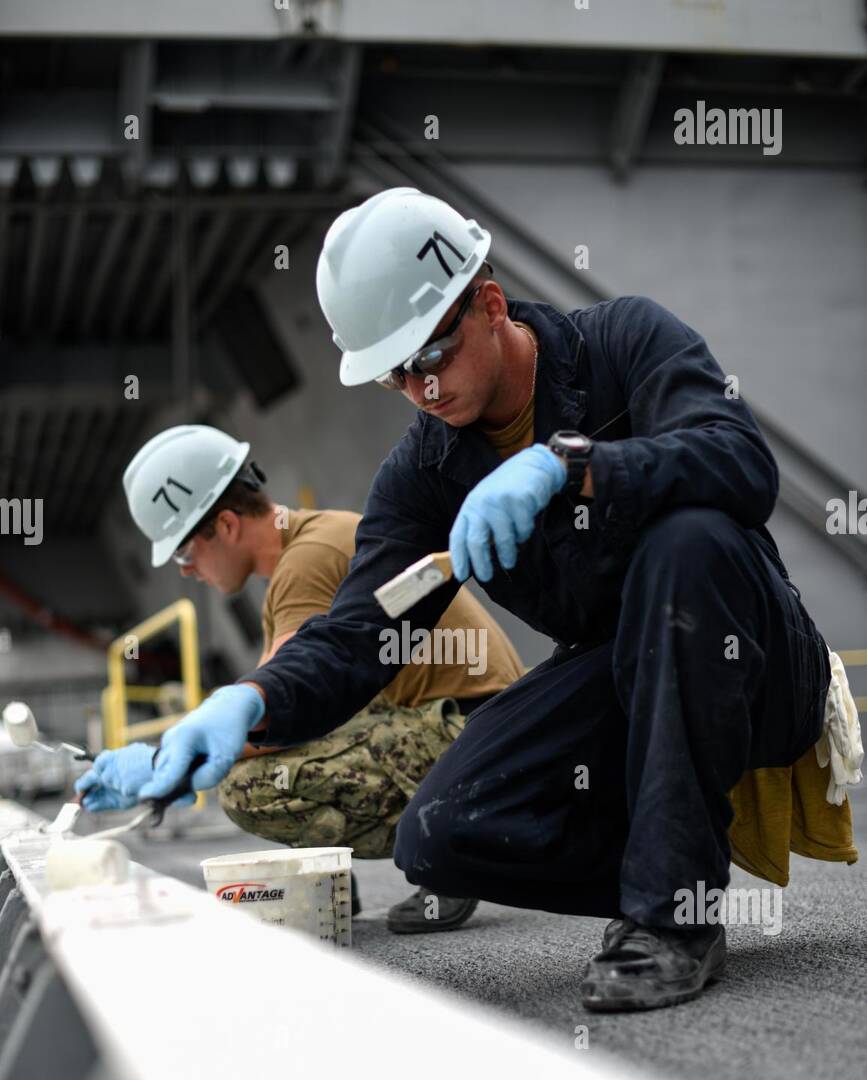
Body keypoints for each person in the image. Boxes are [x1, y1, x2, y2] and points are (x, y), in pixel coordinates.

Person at [79, 186, 855, 1012]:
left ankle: (671, 917)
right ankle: (675, 873)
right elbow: (357, 636)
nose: (420, 389)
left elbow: (740, 462)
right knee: (441, 832)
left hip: (753, 661)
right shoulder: (421, 478)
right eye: (394, 375)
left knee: (686, 539)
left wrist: (574, 464)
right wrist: (247, 701)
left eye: (430, 357)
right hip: (620, 675)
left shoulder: (623, 341)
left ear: (489, 305)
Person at [80, 423, 526, 932]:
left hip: (472, 736)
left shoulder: (304, 565)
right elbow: (290, 696)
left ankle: (456, 849)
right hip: (474, 722)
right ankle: (336, 879)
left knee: (248, 784)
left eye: (184, 552)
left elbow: (280, 724)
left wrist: (164, 761)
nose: (185, 570)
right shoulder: (313, 543)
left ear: (225, 526)